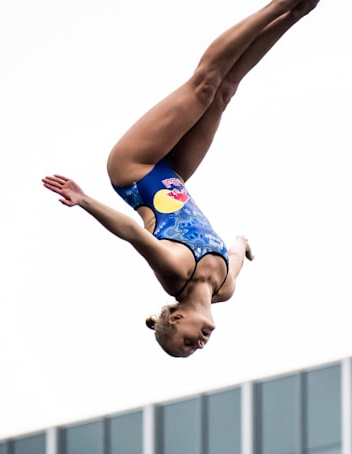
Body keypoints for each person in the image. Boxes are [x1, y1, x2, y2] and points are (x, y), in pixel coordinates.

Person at [42, 0, 319, 357]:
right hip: (173, 176)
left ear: (175, 318)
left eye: (188, 342)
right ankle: (295, 14)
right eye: (197, 348)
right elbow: (234, 250)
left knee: (204, 86)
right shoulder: (225, 286)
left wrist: (86, 201)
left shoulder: (176, 273)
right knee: (223, 93)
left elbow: (131, 232)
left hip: (133, 169)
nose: (200, 343)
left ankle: (280, 5)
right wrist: (241, 243)